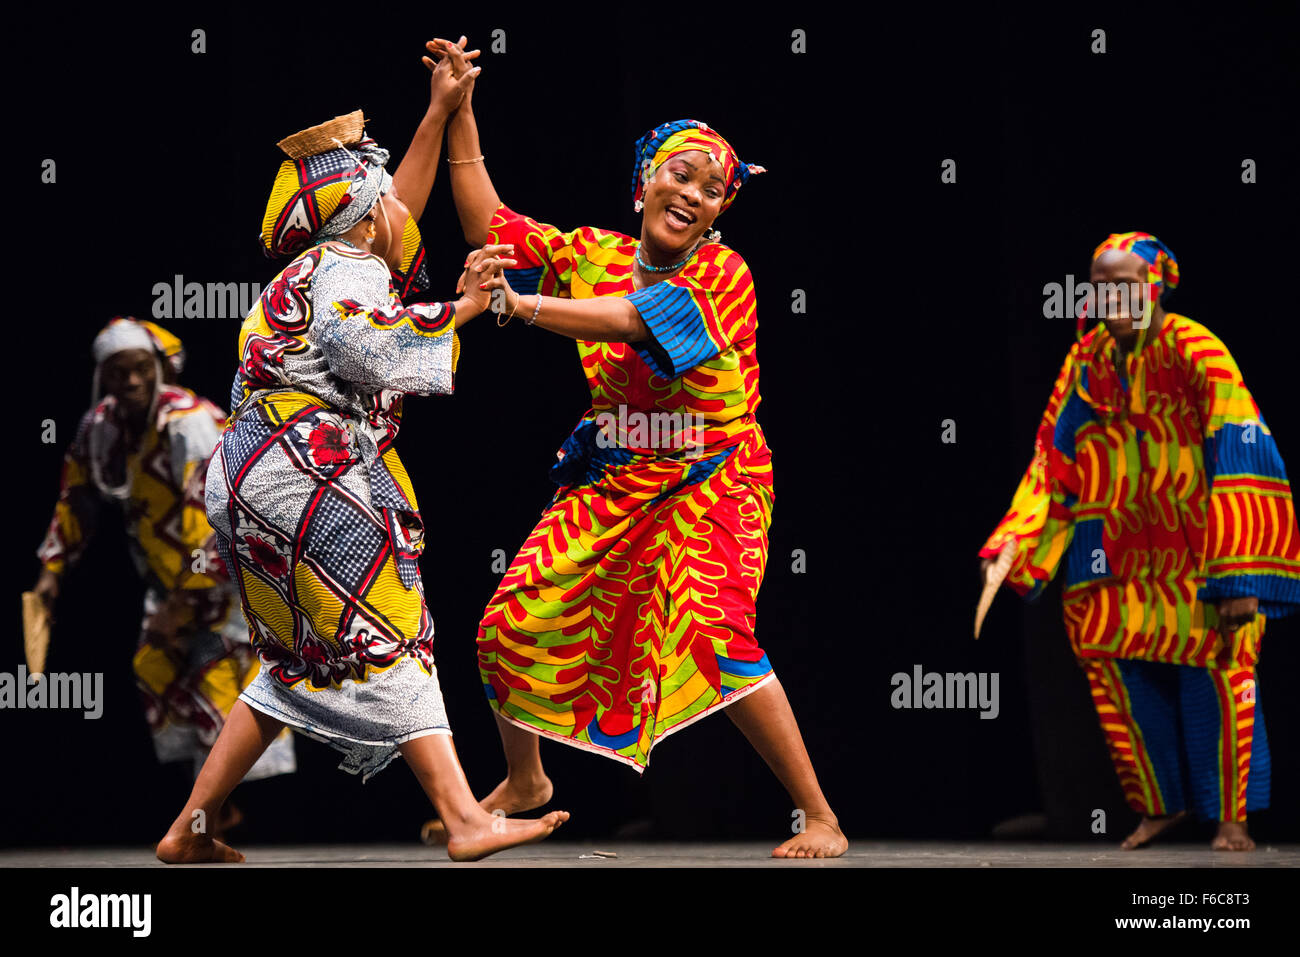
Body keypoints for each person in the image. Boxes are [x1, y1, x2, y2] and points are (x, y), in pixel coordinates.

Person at [419, 37, 846, 859]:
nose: (691, 193)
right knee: (503, 626)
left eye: (711, 189)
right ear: (646, 178)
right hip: (616, 474)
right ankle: (529, 779)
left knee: (719, 634)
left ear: (721, 211)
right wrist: (461, 108)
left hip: (712, 477)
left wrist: (523, 308)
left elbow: (632, 320)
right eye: (679, 174)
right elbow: (490, 224)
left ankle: (819, 812)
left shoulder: (725, 276)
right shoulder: (594, 253)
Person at [155, 49, 567, 864]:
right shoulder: (349, 268)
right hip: (312, 476)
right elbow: (369, 349)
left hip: (248, 475)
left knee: (290, 661)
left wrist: (437, 111)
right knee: (393, 632)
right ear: (366, 215)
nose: (398, 215)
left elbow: (387, 223)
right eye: (385, 204)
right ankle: (465, 819)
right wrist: (467, 306)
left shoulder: (311, 266)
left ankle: (187, 830)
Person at [979, 232, 1300, 850]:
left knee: (1222, 672)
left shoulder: (1195, 348)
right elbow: (1056, 455)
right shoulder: (1087, 358)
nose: (1111, 294)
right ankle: (1159, 805)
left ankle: (1231, 818)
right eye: (1100, 283)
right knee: (1110, 662)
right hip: (1117, 545)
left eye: (1125, 281)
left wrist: (1242, 576)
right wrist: (1017, 539)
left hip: (1198, 546)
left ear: (1157, 283)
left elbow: (1244, 445)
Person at [36, 317, 296, 836]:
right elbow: (78, 497)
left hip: (232, 570)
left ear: (159, 368)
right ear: (101, 378)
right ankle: (212, 810)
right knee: (157, 671)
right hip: (169, 581)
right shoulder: (100, 426)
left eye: (139, 370)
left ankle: (213, 813)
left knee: (222, 681)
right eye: (117, 373)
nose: (129, 382)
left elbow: (216, 514)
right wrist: (52, 569)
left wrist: (183, 605)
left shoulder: (189, 421)